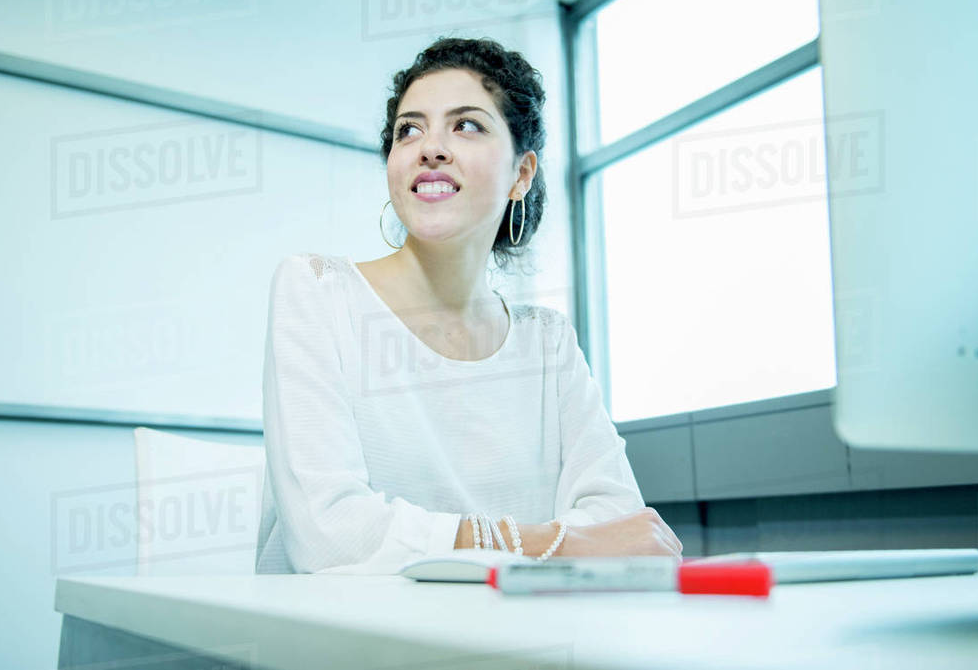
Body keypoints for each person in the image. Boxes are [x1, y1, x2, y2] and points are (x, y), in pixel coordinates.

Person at [257, 36, 682, 574]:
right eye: (408, 130)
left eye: (466, 125)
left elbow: (618, 522)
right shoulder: (316, 291)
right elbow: (333, 538)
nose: (429, 147)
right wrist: (552, 543)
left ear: (521, 175)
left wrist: (470, 545)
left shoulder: (547, 342)